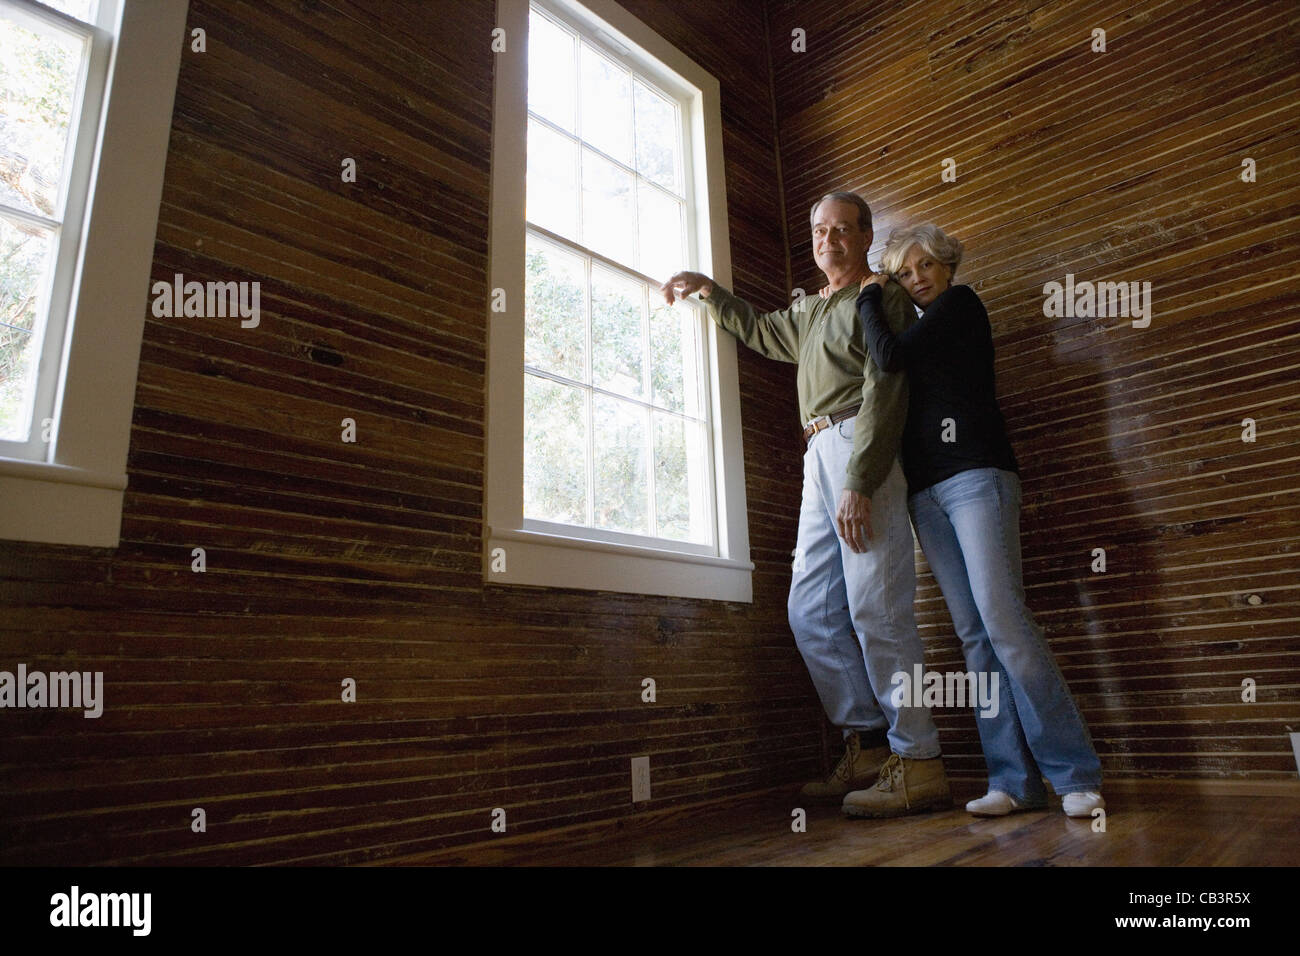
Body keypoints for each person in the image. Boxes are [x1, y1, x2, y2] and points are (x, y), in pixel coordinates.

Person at [661, 193, 951, 818]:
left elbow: (888, 384)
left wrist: (861, 478)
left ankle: (920, 759)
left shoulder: (881, 297)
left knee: (877, 606)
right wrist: (709, 291)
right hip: (817, 451)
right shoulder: (811, 310)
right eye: (820, 230)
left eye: (842, 230)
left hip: (861, 447)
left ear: (866, 235)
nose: (829, 239)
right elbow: (763, 332)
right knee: (810, 609)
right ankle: (870, 745)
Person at [850, 222, 1104, 818]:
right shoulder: (917, 322)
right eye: (905, 274)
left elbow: (885, 356)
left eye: (925, 267)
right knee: (974, 636)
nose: (917, 280)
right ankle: (1011, 782)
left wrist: (867, 294)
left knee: (1004, 621)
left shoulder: (960, 305)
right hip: (926, 494)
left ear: (947, 266)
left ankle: (1074, 777)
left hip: (976, 478)